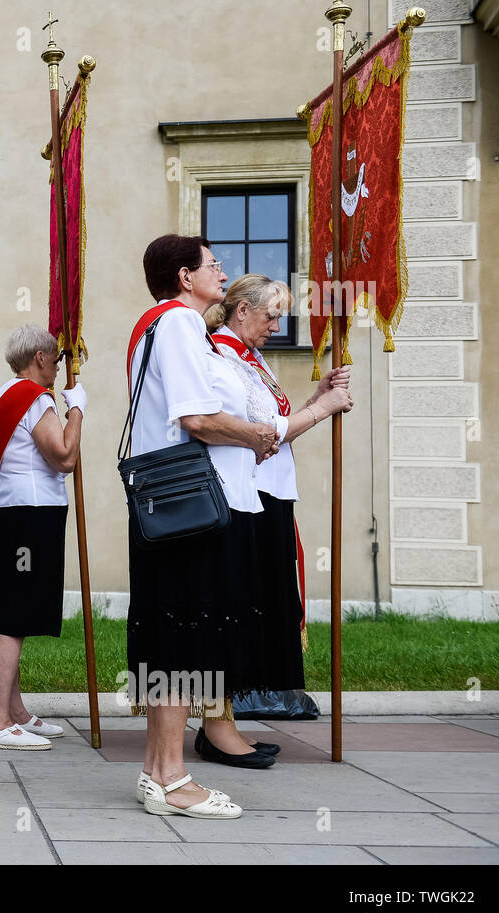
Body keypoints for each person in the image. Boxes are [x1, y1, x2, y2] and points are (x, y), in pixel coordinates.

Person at [124, 235, 282, 819]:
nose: (221, 271)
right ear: (186, 277)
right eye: (212, 264)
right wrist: (255, 434)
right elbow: (195, 417)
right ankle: (171, 778)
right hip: (189, 505)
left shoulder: (154, 326)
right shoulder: (181, 325)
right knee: (184, 634)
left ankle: (155, 771)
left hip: (167, 506)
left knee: (172, 628)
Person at [196, 275, 352, 766]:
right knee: (234, 611)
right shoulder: (221, 357)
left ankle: (227, 722)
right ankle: (216, 727)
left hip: (270, 495)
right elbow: (256, 432)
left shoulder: (253, 360)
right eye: (271, 315)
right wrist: (322, 410)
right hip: (244, 497)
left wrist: (313, 400)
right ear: (241, 311)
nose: (277, 325)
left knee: (256, 612)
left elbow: (277, 432)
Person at [0, 325, 84, 750]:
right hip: (30, 516)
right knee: (14, 616)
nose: (58, 365)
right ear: (39, 357)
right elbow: (63, 457)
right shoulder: (34, 398)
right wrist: (77, 410)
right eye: (55, 358)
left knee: (9, 611)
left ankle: (14, 711)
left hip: (6, 514)